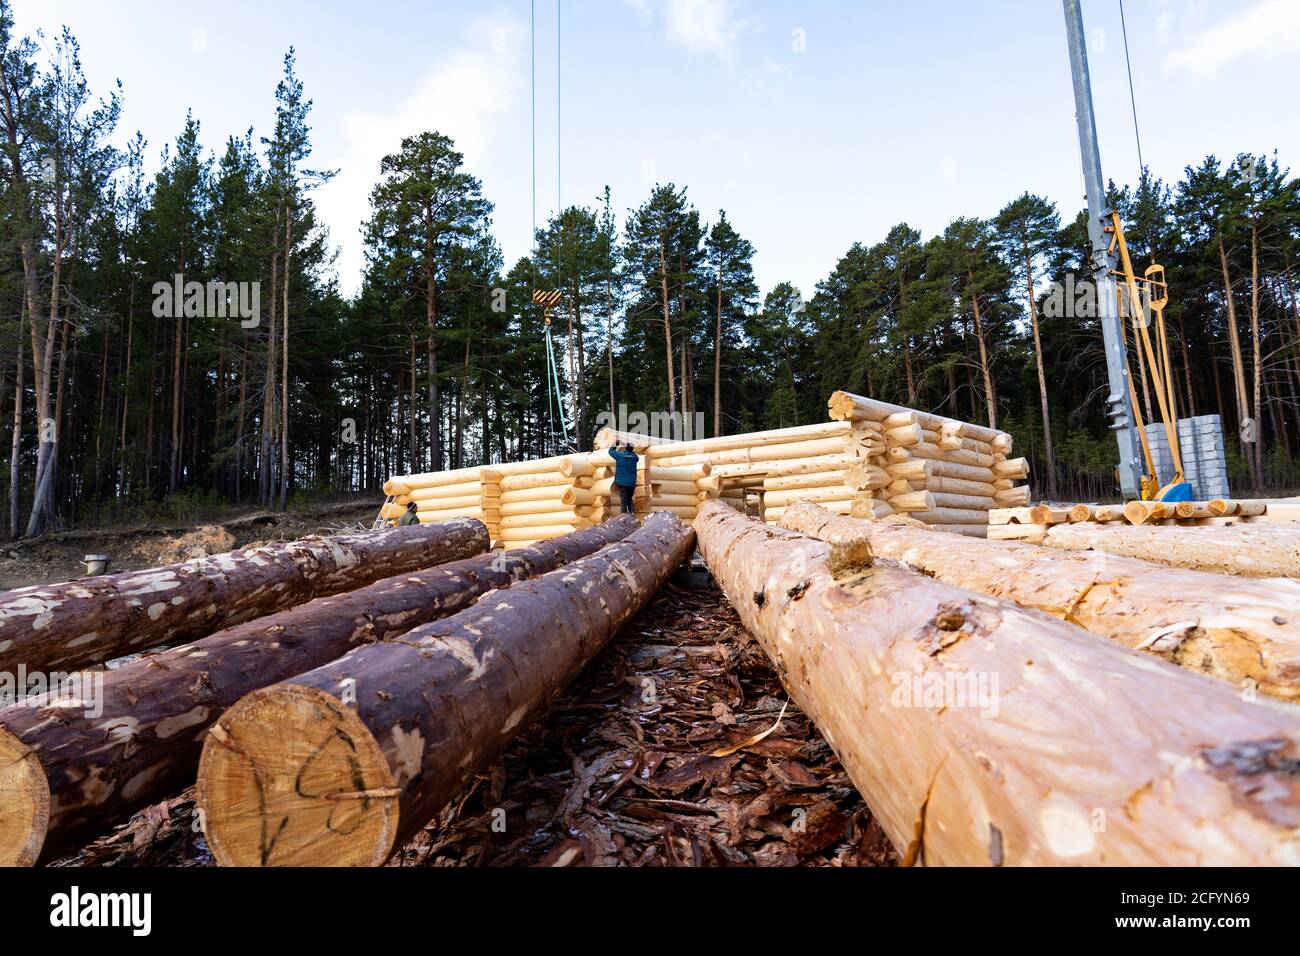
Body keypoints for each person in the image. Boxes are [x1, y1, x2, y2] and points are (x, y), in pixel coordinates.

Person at [609, 441, 640, 515]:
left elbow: (610, 451)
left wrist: (615, 443)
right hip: (631, 483)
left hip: (622, 483)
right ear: (632, 449)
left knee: (623, 502)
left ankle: (624, 519)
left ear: (625, 448)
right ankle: (633, 517)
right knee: (629, 500)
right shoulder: (635, 457)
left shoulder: (620, 456)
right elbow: (636, 457)